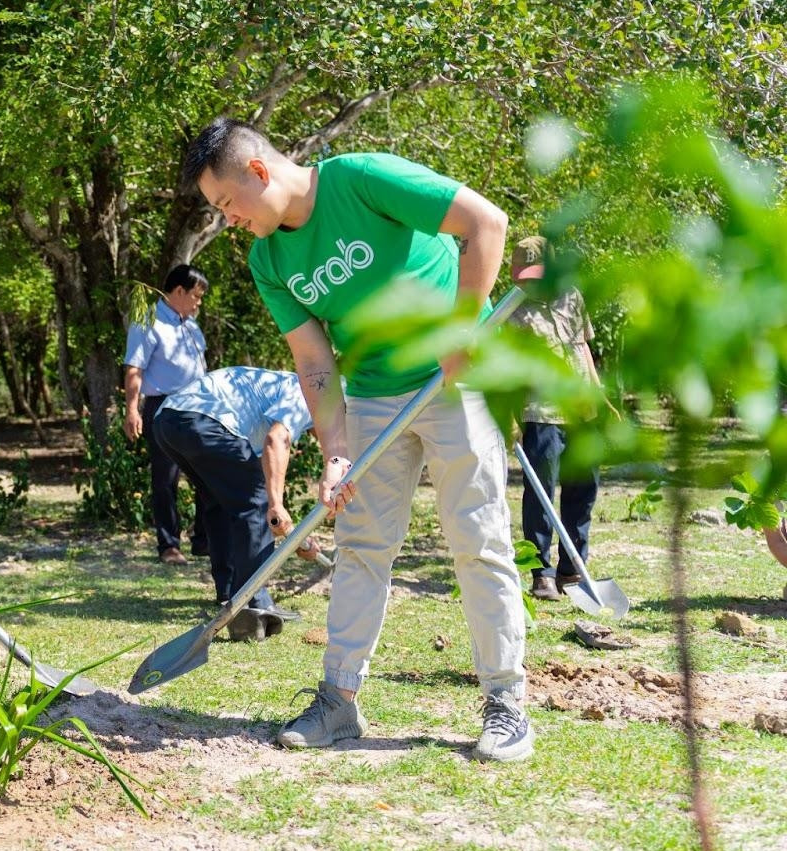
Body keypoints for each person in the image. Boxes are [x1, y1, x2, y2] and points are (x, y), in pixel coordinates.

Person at [185, 117, 533, 763]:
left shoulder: (362, 178)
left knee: (476, 538)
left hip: (453, 381)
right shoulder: (268, 260)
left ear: (258, 172)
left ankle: (506, 704)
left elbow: (486, 223)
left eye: (227, 204)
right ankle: (339, 702)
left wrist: (463, 330)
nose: (227, 220)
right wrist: (337, 450)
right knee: (361, 548)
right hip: (373, 395)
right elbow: (315, 363)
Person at [154, 367, 312, 640]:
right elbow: (276, 440)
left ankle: (228, 592)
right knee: (257, 500)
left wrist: (294, 534)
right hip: (202, 420)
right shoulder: (314, 389)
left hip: (169, 420)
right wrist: (275, 504)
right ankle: (252, 605)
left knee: (220, 502)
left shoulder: (285, 389)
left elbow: (261, 462)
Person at [508, 236, 600, 601]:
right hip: (539, 411)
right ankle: (541, 572)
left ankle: (572, 569)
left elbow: (583, 349)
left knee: (584, 488)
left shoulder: (572, 297)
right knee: (540, 492)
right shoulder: (510, 312)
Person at [123, 264, 210, 565]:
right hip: (164, 407)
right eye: (196, 296)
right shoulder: (149, 322)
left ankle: (204, 540)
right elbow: (134, 368)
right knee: (166, 478)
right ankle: (169, 545)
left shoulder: (192, 326)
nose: (199, 303)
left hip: (197, 407)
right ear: (178, 291)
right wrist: (132, 410)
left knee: (207, 475)